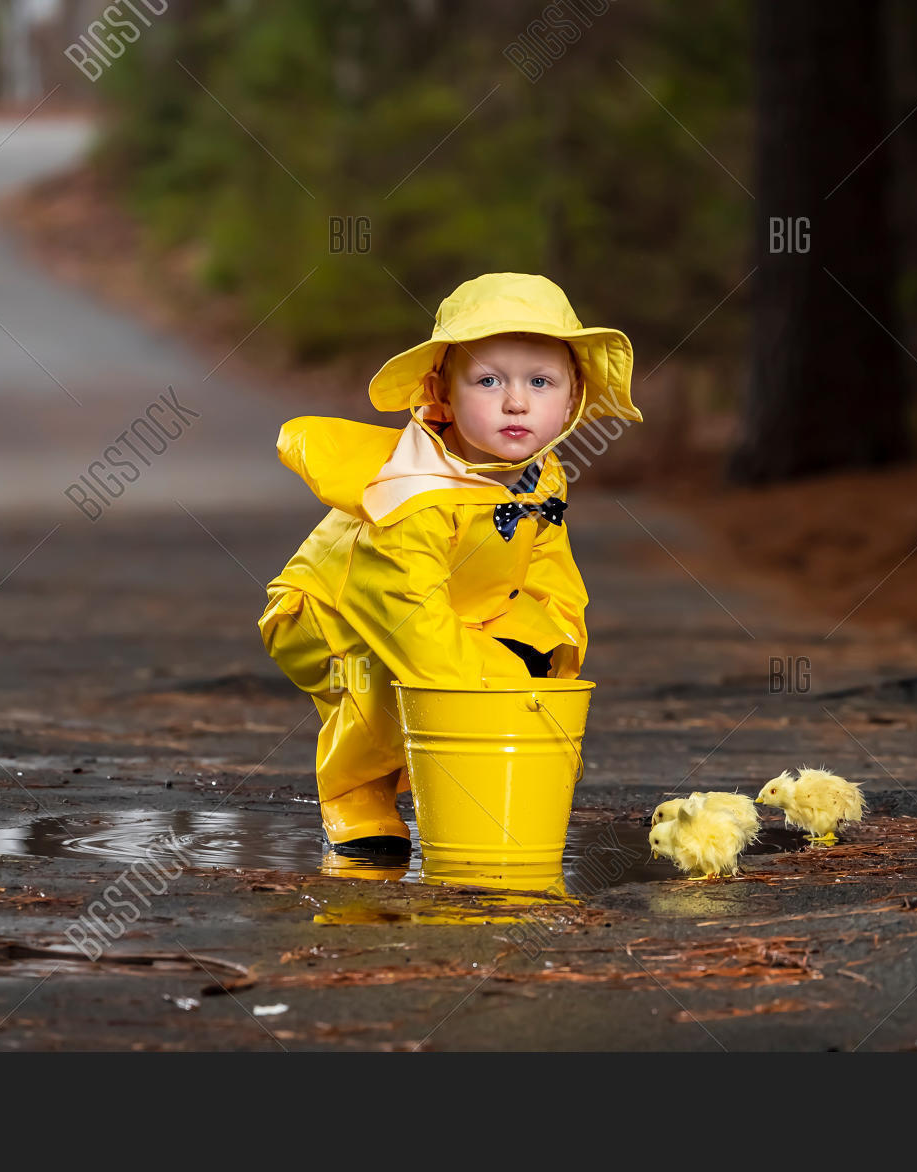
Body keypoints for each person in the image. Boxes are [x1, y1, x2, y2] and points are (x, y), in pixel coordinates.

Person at [256, 272, 640, 859]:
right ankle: (357, 800)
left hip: (456, 604)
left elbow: (546, 566)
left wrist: (552, 652)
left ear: (573, 398)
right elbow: (406, 615)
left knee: (518, 659)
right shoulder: (413, 495)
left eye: (540, 382)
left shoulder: (542, 473)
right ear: (442, 392)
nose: (517, 402)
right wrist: (498, 695)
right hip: (333, 613)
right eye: (488, 381)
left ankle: (467, 778)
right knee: (385, 684)